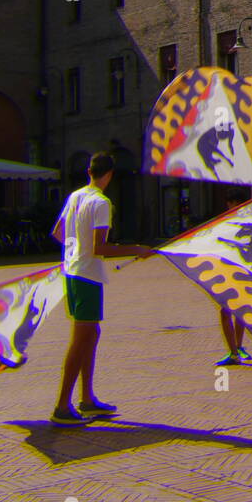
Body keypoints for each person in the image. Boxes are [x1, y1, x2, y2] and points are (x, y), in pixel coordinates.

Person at [50, 151, 153, 426]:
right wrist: (137, 249)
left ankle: (87, 399)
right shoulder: (101, 202)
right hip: (86, 276)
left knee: (91, 333)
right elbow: (99, 248)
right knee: (81, 338)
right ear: (109, 175)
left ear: (89, 172)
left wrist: (73, 252)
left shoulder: (75, 196)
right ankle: (62, 406)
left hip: (72, 273)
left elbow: (58, 233)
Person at [217, 187, 252, 366]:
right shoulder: (251, 221)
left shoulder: (233, 222)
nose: (228, 207)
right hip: (243, 272)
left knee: (226, 312)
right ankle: (237, 347)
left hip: (234, 272)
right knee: (239, 310)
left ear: (235, 204)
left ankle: (233, 352)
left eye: (230, 204)